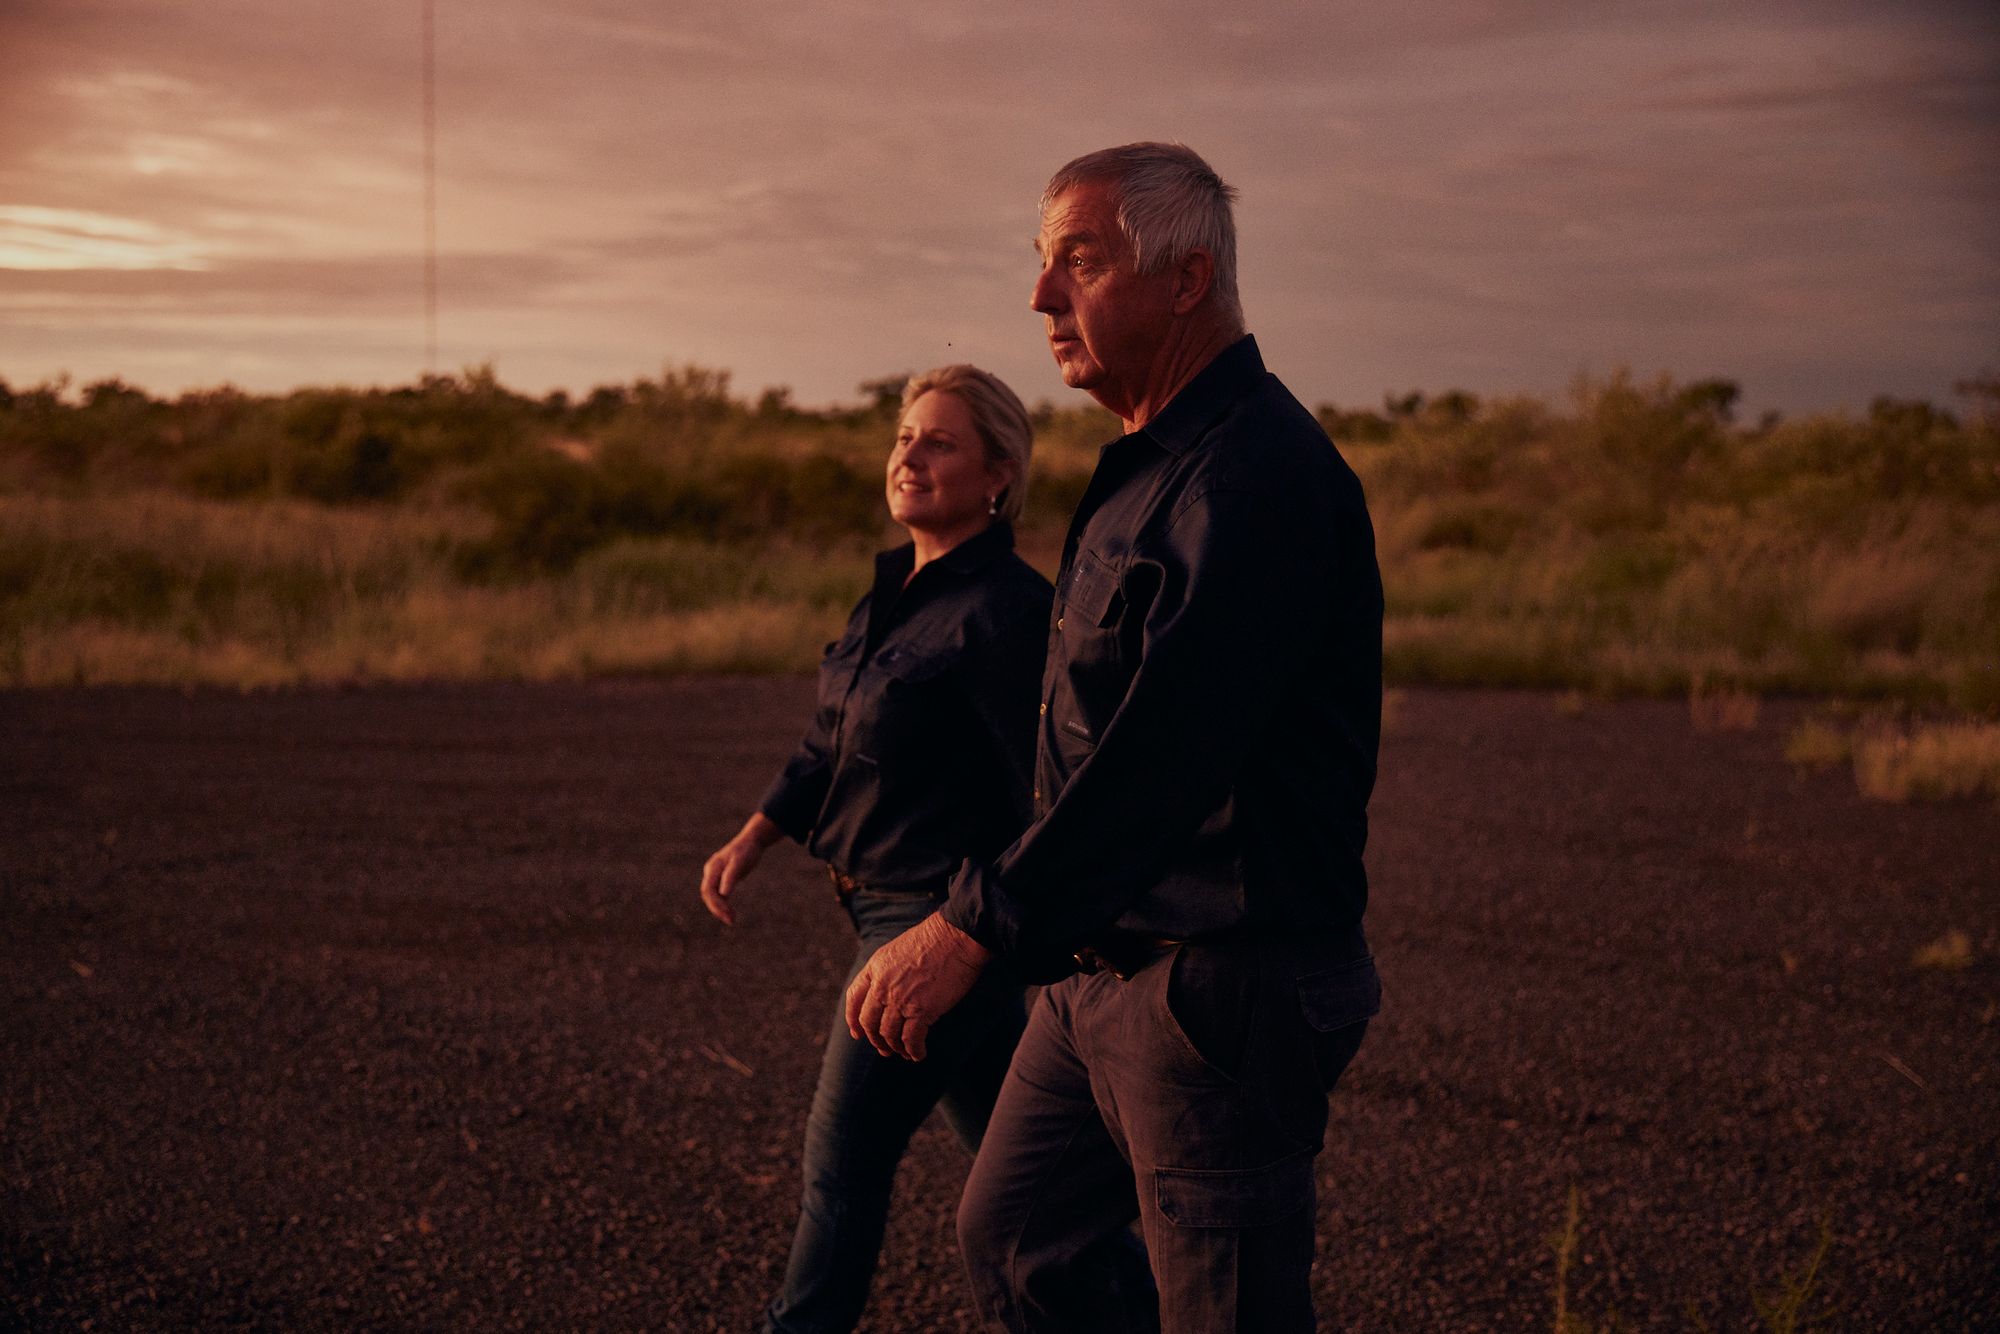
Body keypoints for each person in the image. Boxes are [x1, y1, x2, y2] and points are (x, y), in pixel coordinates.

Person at [843, 142, 1386, 1332]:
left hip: (1217, 985)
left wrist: (967, 923)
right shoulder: (1147, 467)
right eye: (1041, 265)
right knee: (1020, 1233)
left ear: (1186, 279)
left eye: (1076, 264)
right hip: (1095, 972)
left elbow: (1163, 757)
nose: (1039, 298)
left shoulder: (1254, 480)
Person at [699, 365, 1053, 1334]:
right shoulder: (892, 595)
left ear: (998, 474)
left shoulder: (1011, 615)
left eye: (939, 441)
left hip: (936, 928)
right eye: (904, 436)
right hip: (878, 907)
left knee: (839, 1173)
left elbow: (1052, 796)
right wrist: (758, 830)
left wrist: (965, 931)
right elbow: (830, 741)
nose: (910, 455)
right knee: (1037, 1194)